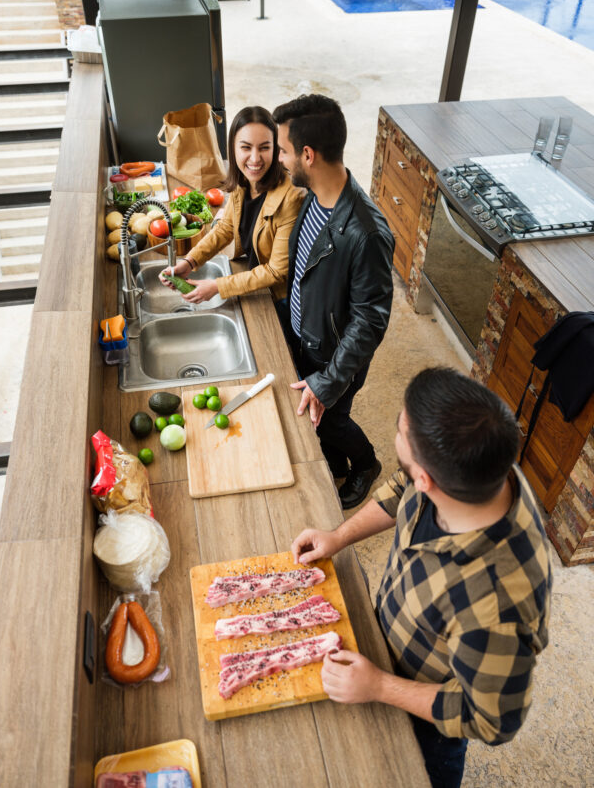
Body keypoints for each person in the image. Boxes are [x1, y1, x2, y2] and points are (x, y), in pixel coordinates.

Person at [291, 367, 552, 788]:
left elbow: (492, 719)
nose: (396, 429)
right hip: (389, 654)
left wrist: (379, 686)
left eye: (400, 431)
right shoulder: (474, 469)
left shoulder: (497, 605)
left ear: (427, 479)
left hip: (430, 720)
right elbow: (402, 487)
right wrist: (338, 536)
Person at [272, 94, 394, 509]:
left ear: (308, 155)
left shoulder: (367, 233)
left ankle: (365, 465)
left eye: (284, 151)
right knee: (319, 424)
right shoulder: (315, 196)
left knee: (332, 420)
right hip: (308, 339)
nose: (280, 160)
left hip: (335, 357)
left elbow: (370, 322)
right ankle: (338, 461)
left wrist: (328, 381)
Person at [160, 105, 304, 303]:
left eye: (264, 147)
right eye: (246, 147)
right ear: (233, 148)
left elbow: (276, 271)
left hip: (280, 297)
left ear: (276, 149)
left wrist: (218, 286)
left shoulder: (291, 198)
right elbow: (226, 228)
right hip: (253, 279)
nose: (255, 158)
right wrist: (190, 261)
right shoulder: (244, 180)